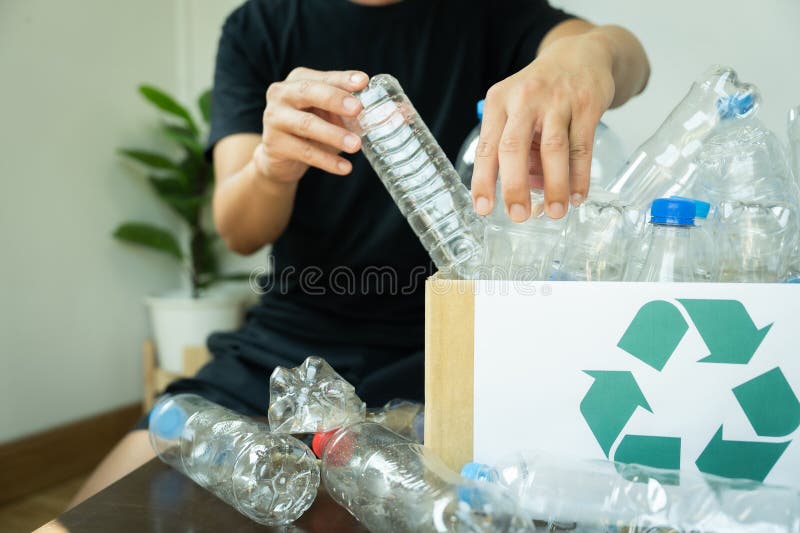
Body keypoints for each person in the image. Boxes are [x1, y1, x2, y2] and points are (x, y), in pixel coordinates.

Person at [70, 0, 649, 506]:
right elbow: (238, 231)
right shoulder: (260, 26)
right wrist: (272, 168)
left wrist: (590, 55)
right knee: (124, 480)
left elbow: (630, 61)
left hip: (452, 346)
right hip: (289, 347)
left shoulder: (491, 12)